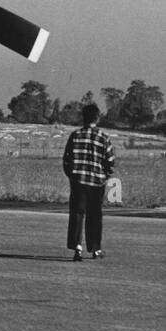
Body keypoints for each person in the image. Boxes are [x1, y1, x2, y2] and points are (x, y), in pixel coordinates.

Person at [63, 103, 116, 262]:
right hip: (97, 182)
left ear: (83, 117)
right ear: (97, 118)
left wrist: (72, 176)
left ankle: (77, 247)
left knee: (77, 214)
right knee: (95, 215)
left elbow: (67, 160)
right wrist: (105, 175)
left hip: (78, 181)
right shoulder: (103, 137)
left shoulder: (75, 135)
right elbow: (110, 161)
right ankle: (95, 248)